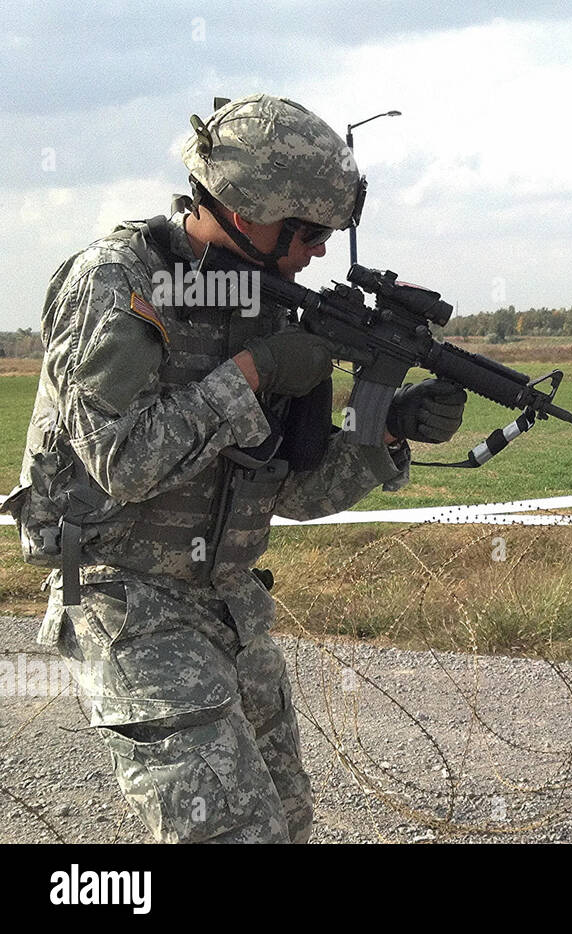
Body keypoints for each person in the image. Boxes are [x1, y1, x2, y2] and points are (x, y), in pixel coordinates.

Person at [2, 94, 467, 843]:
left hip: (230, 607)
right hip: (130, 605)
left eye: (327, 235)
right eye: (307, 231)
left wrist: (380, 431)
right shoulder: (119, 283)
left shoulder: (265, 305)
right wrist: (253, 372)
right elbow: (122, 462)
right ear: (250, 209)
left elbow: (291, 490)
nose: (318, 251)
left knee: (288, 821)